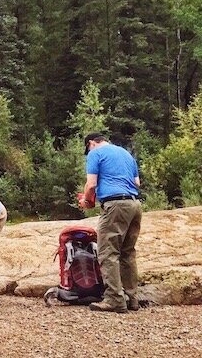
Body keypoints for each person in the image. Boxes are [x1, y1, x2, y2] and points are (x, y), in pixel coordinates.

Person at [79, 132, 142, 313]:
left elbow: (91, 184)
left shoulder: (95, 153)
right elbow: (137, 183)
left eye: (88, 148)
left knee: (108, 252)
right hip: (134, 204)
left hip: (115, 205)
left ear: (91, 143)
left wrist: (87, 201)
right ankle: (132, 299)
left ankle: (114, 299)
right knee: (128, 252)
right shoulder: (125, 153)